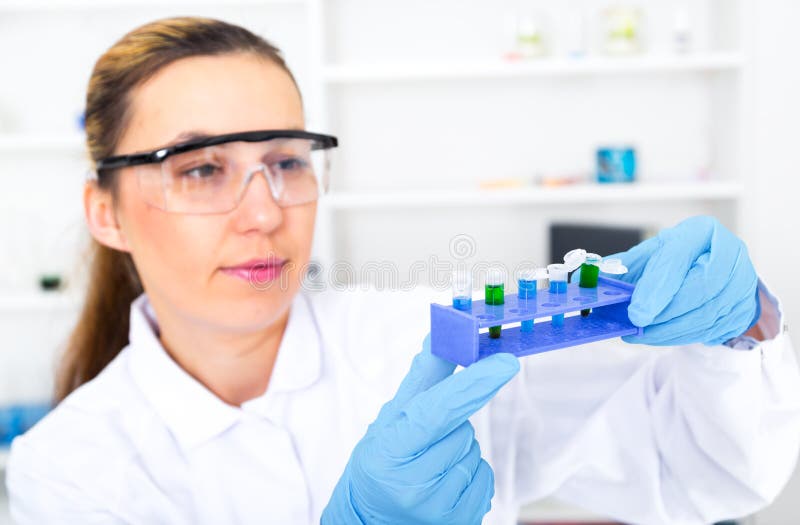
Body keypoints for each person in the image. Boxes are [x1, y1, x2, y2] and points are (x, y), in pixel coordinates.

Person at [6, 17, 800, 525]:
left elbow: (705, 475)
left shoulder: (427, 338)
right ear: (104, 211)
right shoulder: (67, 473)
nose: (264, 211)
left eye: (286, 160)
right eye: (201, 170)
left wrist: (738, 327)